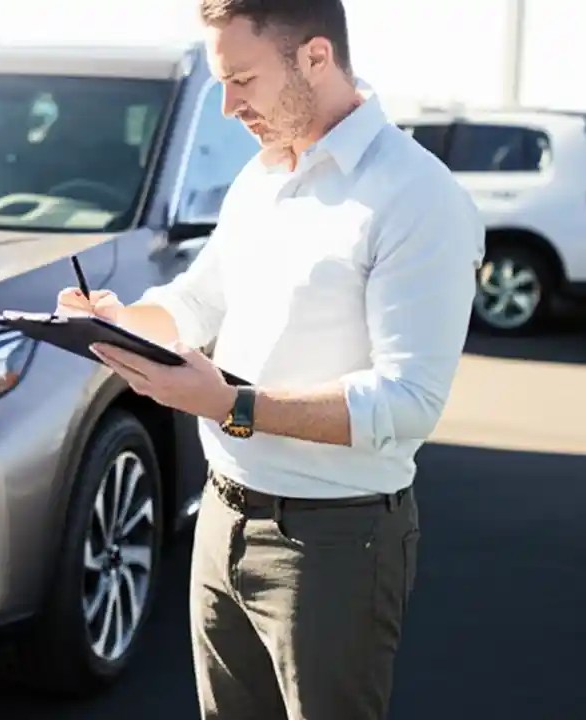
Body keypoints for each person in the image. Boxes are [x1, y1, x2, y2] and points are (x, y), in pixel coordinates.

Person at [55, 1, 485, 718]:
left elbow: (408, 403)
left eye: (243, 81)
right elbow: (198, 299)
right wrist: (122, 321)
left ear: (316, 58)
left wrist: (229, 405)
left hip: (335, 542)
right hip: (221, 518)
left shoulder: (418, 196)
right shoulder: (260, 178)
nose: (227, 108)